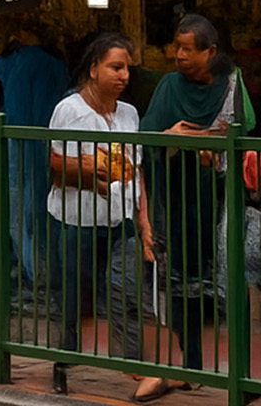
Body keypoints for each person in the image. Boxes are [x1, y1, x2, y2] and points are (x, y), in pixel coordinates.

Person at [140, 14, 258, 381]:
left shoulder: (232, 84)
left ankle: (240, 374)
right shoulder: (169, 86)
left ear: (211, 52)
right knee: (182, 287)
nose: (179, 55)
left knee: (232, 283)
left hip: (223, 203)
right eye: (177, 47)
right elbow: (147, 139)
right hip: (179, 202)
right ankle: (190, 365)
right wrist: (173, 137)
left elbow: (247, 133)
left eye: (188, 49)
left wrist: (208, 143)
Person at [46, 32, 162, 400]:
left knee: (128, 291)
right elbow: (53, 166)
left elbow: (136, 170)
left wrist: (143, 223)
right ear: (94, 69)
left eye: (127, 68)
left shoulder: (130, 114)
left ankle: (132, 368)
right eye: (116, 67)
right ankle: (62, 363)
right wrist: (87, 170)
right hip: (75, 220)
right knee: (71, 297)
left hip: (120, 221)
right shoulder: (69, 110)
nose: (124, 75)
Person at [0, 32, 69, 299]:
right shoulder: (55, 65)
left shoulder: (10, 63)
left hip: (15, 140)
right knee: (48, 209)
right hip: (50, 141)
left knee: (18, 210)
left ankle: (33, 272)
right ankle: (50, 272)